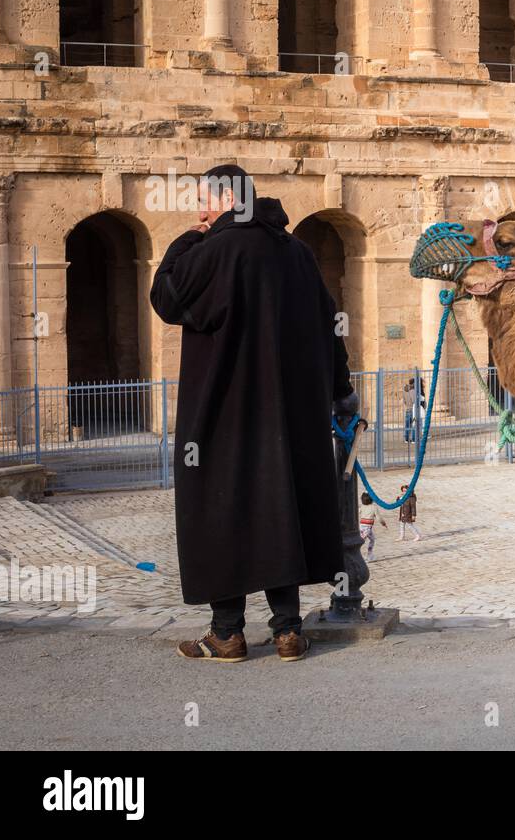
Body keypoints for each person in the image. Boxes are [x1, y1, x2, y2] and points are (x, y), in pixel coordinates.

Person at [152, 164, 356, 663]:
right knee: (279, 509)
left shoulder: (214, 251)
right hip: (288, 418)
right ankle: (287, 632)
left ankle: (227, 633)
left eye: (205, 200)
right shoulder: (298, 254)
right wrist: (340, 390)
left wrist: (185, 239)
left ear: (226, 200)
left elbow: (167, 296)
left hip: (221, 415)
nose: (199, 210)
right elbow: (332, 326)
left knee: (222, 511)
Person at [359, 492, 388, 560]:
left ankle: (370, 554)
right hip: (367, 527)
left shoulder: (362, 506)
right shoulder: (374, 507)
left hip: (362, 525)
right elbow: (379, 518)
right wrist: (384, 524)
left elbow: (358, 511)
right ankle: (367, 556)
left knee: (372, 539)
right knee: (362, 540)